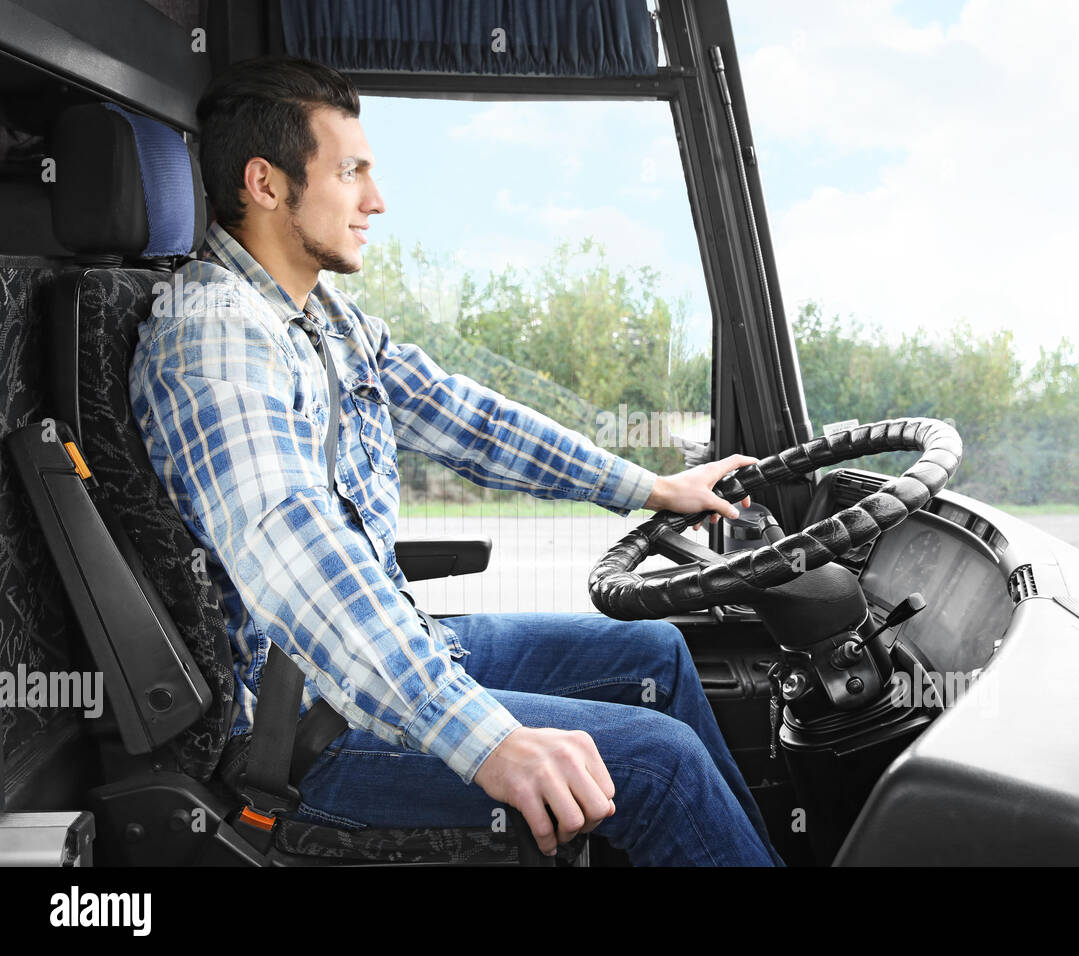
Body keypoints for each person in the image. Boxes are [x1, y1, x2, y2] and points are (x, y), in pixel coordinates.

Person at [129, 55, 783, 866]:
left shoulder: (321, 318)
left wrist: (650, 487)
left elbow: (470, 421)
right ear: (266, 184)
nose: (376, 200)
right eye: (350, 172)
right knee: (659, 763)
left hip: (381, 647)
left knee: (658, 653)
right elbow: (295, 554)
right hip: (292, 721)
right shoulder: (213, 336)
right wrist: (487, 741)